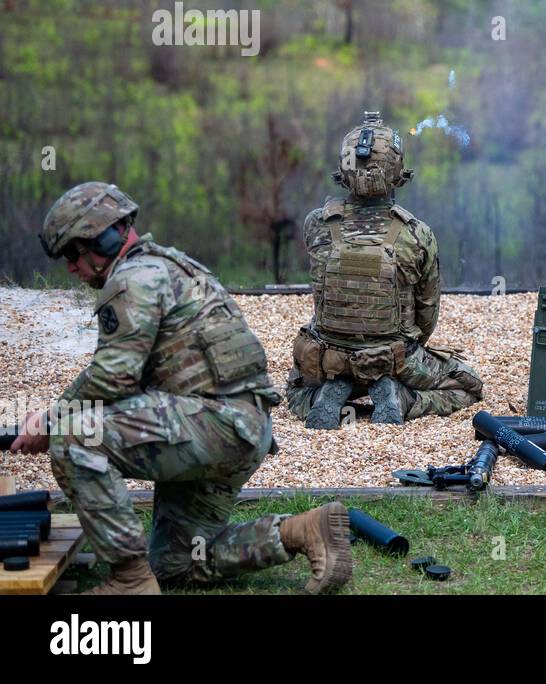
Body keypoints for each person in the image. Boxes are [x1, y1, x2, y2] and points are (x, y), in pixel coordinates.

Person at [14, 181, 352, 594]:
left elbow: (112, 377)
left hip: (213, 425)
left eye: (72, 252)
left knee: (74, 435)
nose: (70, 266)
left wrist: (51, 420)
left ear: (101, 238)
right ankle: (301, 532)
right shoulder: (169, 267)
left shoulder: (131, 280)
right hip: (238, 429)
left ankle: (128, 583)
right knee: (177, 563)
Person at [285, 111, 482, 429]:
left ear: (343, 171)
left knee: (294, 391)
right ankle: (402, 398)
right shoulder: (417, 234)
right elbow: (426, 315)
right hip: (394, 360)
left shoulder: (317, 224)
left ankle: (330, 394)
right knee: (468, 384)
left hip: (327, 359)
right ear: (397, 174)